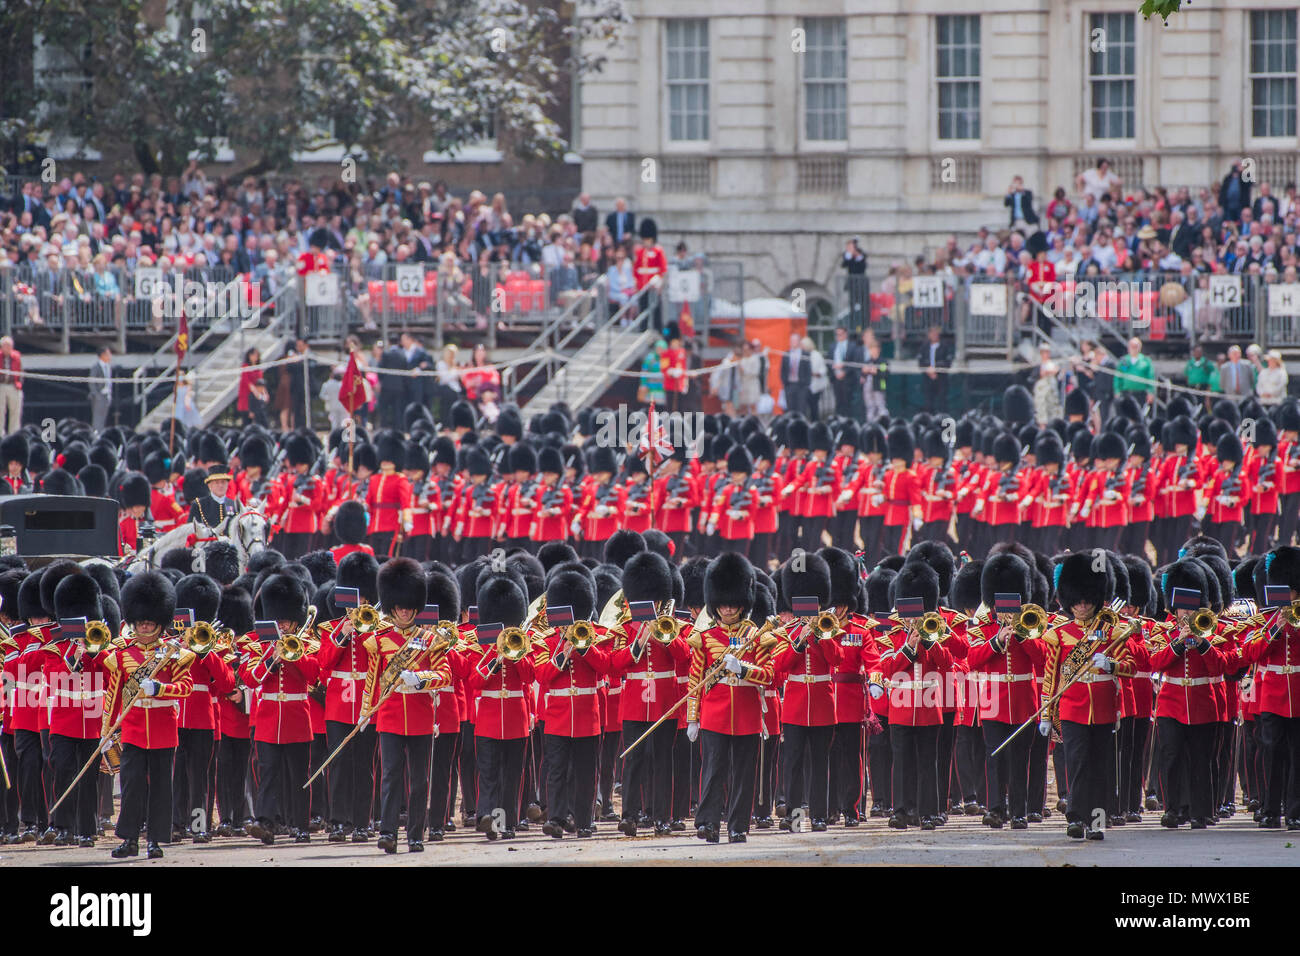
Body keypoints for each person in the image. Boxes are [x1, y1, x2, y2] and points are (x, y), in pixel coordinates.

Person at [918, 325, 951, 413]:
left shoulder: (945, 346)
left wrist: (935, 369)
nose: (934, 335)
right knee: (928, 401)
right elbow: (920, 362)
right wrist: (929, 370)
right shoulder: (924, 347)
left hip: (941, 378)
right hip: (928, 378)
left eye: (935, 333)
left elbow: (948, 363)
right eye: (932, 333)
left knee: (942, 401)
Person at [1115, 337, 1155, 407]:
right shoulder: (1124, 360)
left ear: (1139, 348)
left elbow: (1150, 377)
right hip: (1126, 393)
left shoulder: (1146, 361)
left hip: (1140, 394)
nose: (1133, 349)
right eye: (1132, 346)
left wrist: (1151, 392)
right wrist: (1117, 391)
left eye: (1136, 346)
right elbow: (1118, 376)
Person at [781, 333, 813, 418]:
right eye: (791, 341)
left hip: (801, 386)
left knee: (801, 409)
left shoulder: (805, 355)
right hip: (789, 385)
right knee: (790, 409)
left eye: (795, 341)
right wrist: (785, 384)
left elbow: (808, 371)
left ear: (799, 342)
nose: (793, 342)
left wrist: (806, 385)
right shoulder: (786, 354)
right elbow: (783, 370)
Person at [0, 337, 23, 434]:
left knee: (16, 410)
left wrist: (19, 384)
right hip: (1, 385)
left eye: (10, 346)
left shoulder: (16, 356)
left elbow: (21, 371)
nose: (8, 348)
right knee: (0, 410)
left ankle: (14, 433)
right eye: (6, 346)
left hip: (13, 385)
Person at [89, 345, 113, 432]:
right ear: (103, 355)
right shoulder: (96, 367)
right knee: (97, 419)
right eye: (108, 354)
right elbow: (92, 383)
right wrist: (97, 395)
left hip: (106, 396)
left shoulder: (108, 366)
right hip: (99, 397)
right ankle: (96, 435)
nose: (110, 356)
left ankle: (100, 433)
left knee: (103, 419)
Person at [237, 348, 262, 425]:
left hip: (255, 396)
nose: (255, 357)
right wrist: (255, 391)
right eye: (253, 355)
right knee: (246, 418)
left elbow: (260, 382)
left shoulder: (258, 368)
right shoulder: (245, 366)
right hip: (246, 395)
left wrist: (263, 393)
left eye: (256, 355)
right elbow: (247, 381)